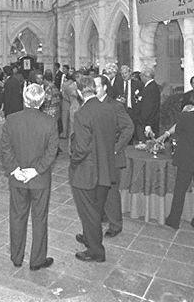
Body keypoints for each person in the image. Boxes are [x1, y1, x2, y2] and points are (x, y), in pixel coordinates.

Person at [0, 84, 59, 270]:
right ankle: (37, 260)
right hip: (39, 180)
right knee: (39, 218)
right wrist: (37, 170)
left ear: (25, 98)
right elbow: (52, 151)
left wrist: (15, 169)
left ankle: (16, 257)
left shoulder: (11, 119)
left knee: (17, 217)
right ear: (42, 101)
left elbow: (5, 148)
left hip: (18, 178)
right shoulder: (49, 122)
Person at [69, 75, 119, 262]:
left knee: (88, 211)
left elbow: (81, 148)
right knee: (96, 209)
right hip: (105, 167)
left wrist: (73, 163)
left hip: (87, 171)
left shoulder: (82, 114)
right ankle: (90, 236)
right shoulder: (109, 108)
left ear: (81, 92)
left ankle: (96, 250)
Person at [160, 89, 194, 232]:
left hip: (186, 158)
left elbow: (178, 133)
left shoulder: (184, 116)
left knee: (180, 191)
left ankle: (174, 220)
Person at [96, 75, 135, 238]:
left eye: (96, 86)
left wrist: (116, 148)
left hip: (111, 156)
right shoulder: (92, 104)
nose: (93, 89)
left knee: (111, 192)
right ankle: (102, 216)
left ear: (105, 87)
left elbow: (128, 127)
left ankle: (115, 224)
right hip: (96, 155)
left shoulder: (115, 106)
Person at [138, 67, 161, 141]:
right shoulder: (152, 86)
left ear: (146, 76)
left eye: (141, 76)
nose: (140, 78)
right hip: (151, 120)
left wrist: (146, 123)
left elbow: (148, 107)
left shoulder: (150, 88)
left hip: (148, 122)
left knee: (148, 145)